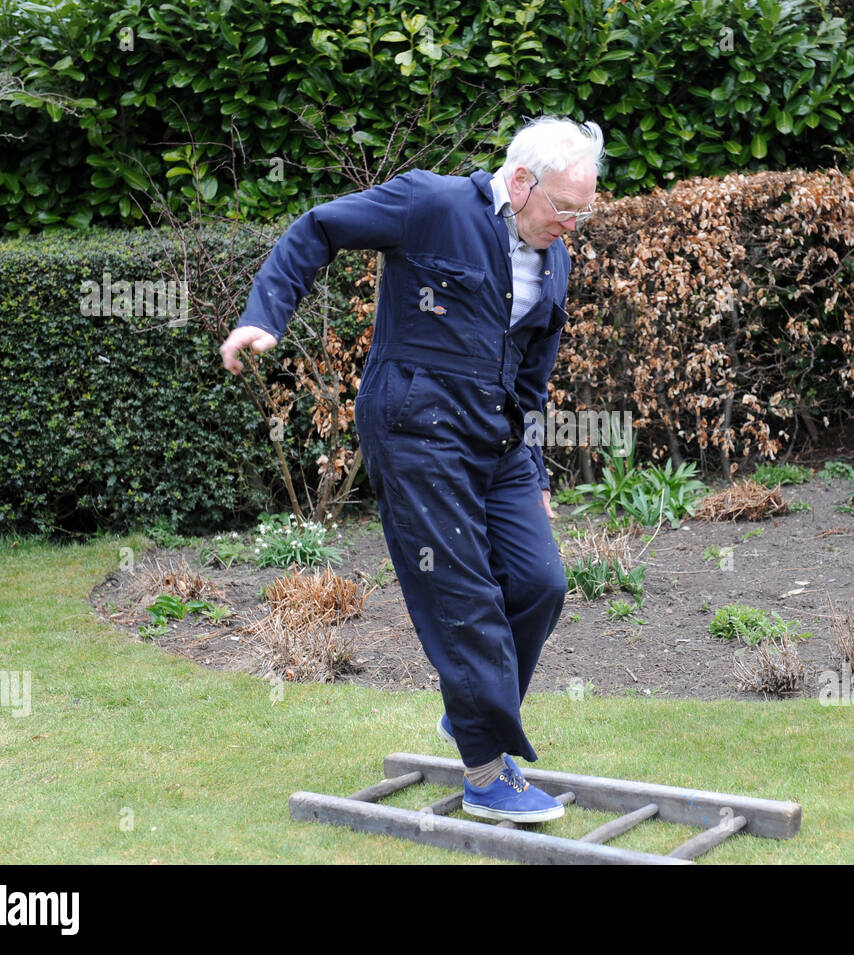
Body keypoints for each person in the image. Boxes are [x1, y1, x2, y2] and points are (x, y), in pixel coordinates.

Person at [220, 117, 602, 823]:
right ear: (521, 183)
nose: (574, 224)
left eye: (586, 210)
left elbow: (534, 379)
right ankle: (488, 771)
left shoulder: (555, 259)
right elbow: (318, 228)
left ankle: (469, 718)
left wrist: (539, 473)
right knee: (463, 593)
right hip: (418, 430)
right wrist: (263, 317)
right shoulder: (433, 206)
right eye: (565, 208)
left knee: (540, 582)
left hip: (499, 442)